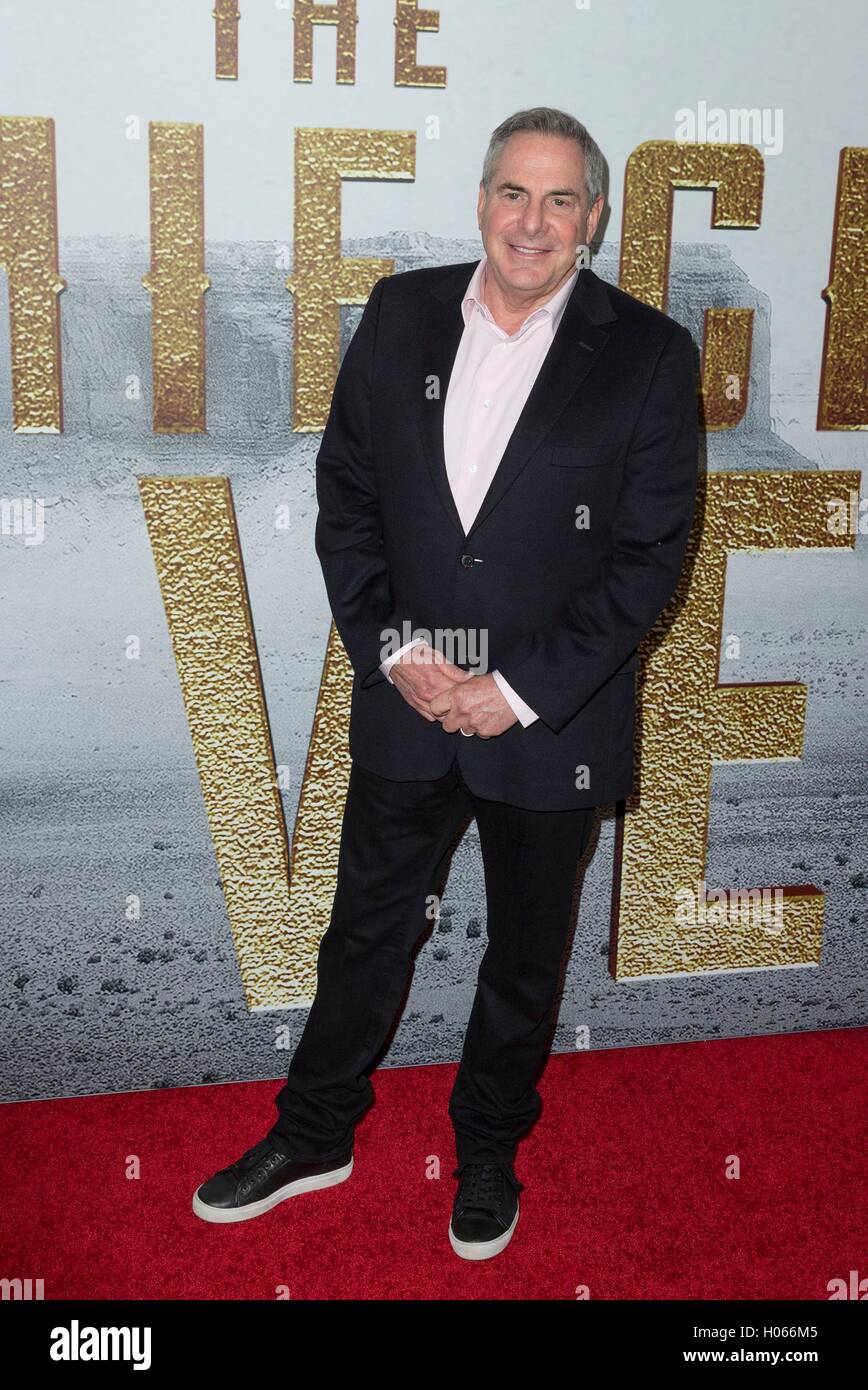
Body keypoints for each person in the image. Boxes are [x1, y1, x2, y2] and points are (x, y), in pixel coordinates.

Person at [192, 106, 699, 1261]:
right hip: (406, 702)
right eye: (513, 193)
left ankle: (485, 1151)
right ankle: (315, 1131)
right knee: (363, 934)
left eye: (559, 198)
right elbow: (348, 497)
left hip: (545, 722)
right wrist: (394, 647)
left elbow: (648, 559)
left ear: (594, 218)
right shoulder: (401, 311)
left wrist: (514, 689)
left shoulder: (647, 353)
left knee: (524, 956)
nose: (532, 220)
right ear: (481, 200)